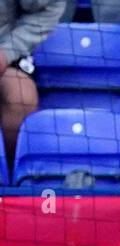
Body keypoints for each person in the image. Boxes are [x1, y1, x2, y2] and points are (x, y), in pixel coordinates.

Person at [0, 0, 64, 168]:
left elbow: (48, 10)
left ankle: (9, 174)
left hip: (4, 53)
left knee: (20, 95)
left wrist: (6, 52)